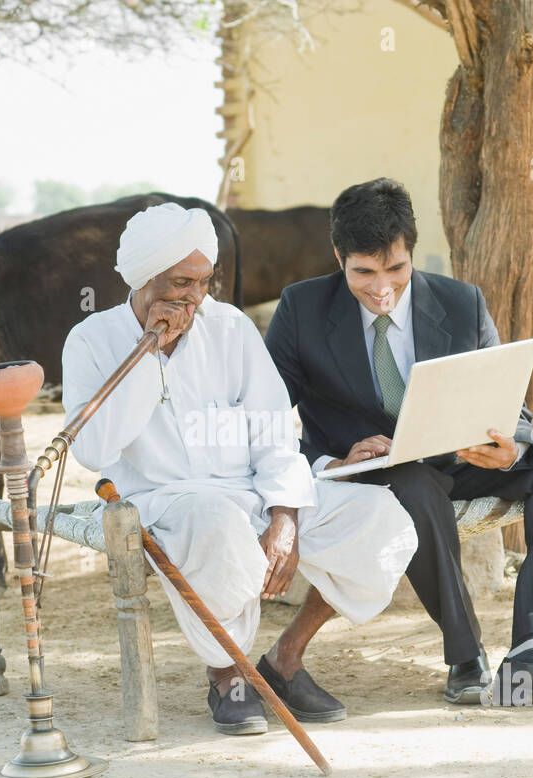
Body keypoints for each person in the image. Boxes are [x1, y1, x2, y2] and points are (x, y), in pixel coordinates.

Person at [264, 178, 533, 706]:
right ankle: (467, 656)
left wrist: (514, 443)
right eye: (364, 272)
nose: (382, 287)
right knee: (411, 483)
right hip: (378, 473)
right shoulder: (300, 310)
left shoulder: (462, 302)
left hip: (465, 455)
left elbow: (507, 399)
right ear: (338, 257)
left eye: (396, 268)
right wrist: (331, 460)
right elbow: (265, 419)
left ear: (412, 252)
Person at [62, 202, 418, 733]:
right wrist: (147, 350)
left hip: (254, 492)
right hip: (168, 501)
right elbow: (92, 447)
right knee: (217, 525)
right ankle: (228, 675)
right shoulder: (91, 340)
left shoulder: (231, 328)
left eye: (204, 281)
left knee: (378, 518)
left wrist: (285, 516)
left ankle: (284, 660)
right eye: (181, 282)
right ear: (144, 277)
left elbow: (276, 432)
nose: (196, 296)